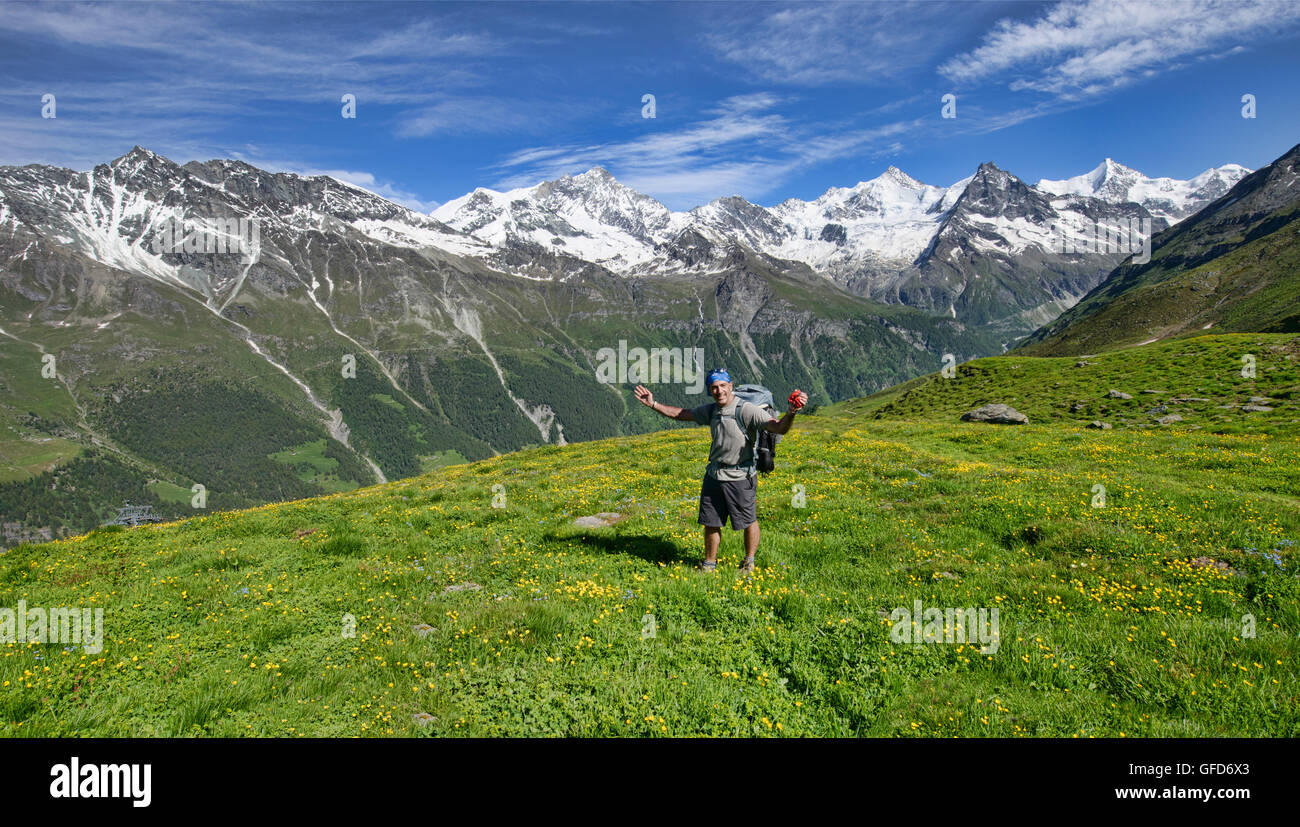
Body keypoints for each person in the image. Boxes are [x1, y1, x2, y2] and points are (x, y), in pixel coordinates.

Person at [634, 368, 807, 573]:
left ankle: (749, 561)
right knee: (711, 522)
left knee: (748, 520)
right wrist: (653, 404)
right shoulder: (711, 410)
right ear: (710, 390)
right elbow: (682, 414)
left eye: (723, 386)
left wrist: (791, 412)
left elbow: (778, 428)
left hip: (741, 476)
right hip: (714, 475)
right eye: (714, 387)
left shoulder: (746, 410)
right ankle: (709, 564)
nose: (719, 391)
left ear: (730, 386)